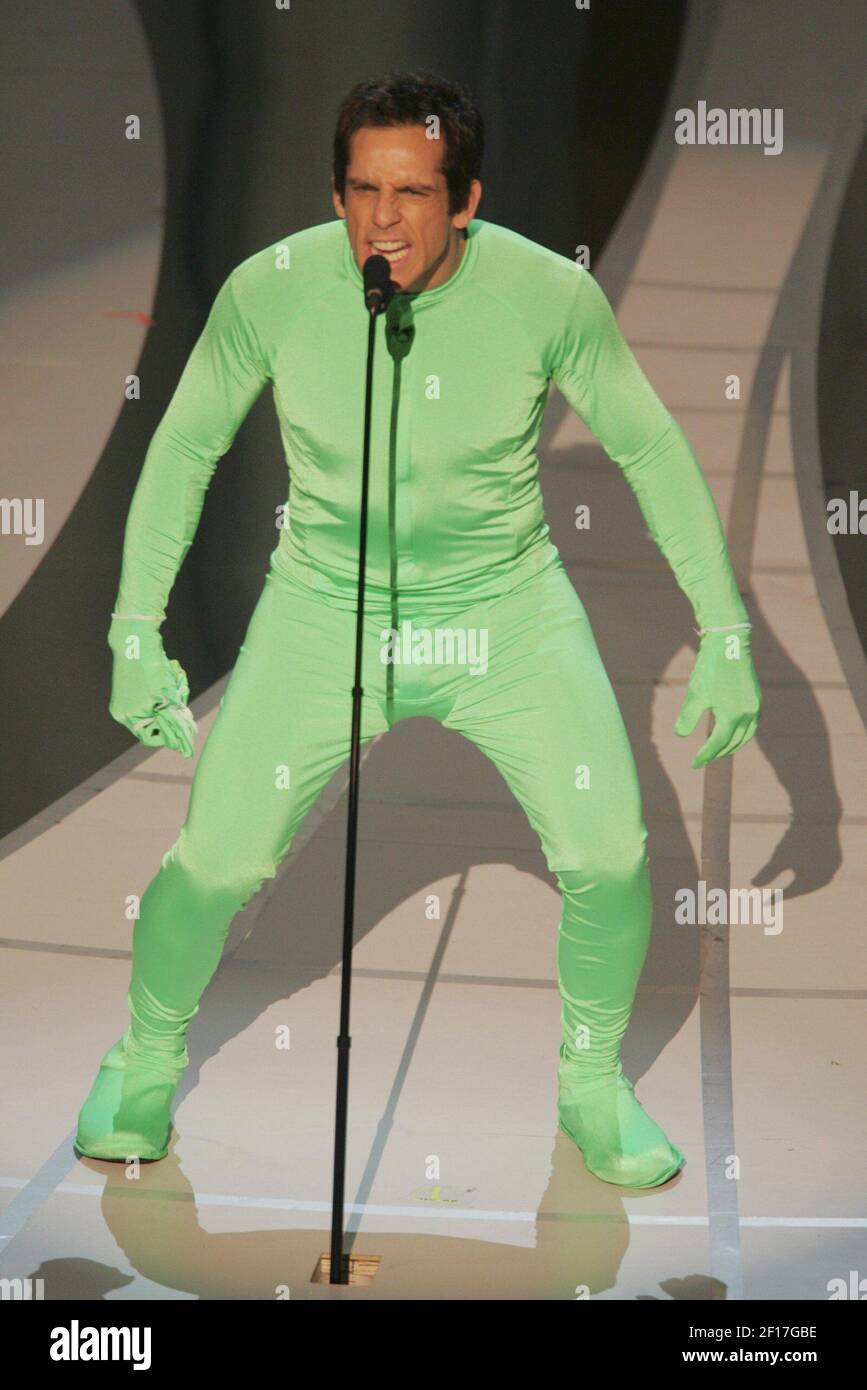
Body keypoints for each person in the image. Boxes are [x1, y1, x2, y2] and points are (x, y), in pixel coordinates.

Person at [74, 71, 761, 1187]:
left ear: (467, 200)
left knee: (610, 855)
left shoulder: (549, 297)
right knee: (217, 860)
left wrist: (725, 630)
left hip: (505, 612)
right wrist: (131, 625)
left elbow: (649, 447)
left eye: (413, 192)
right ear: (337, 194)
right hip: (323, 611)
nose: (383, 219)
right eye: (362, 189)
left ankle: (591, 1084)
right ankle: (143, 1057)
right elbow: (188, 444)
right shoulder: (274, 289)